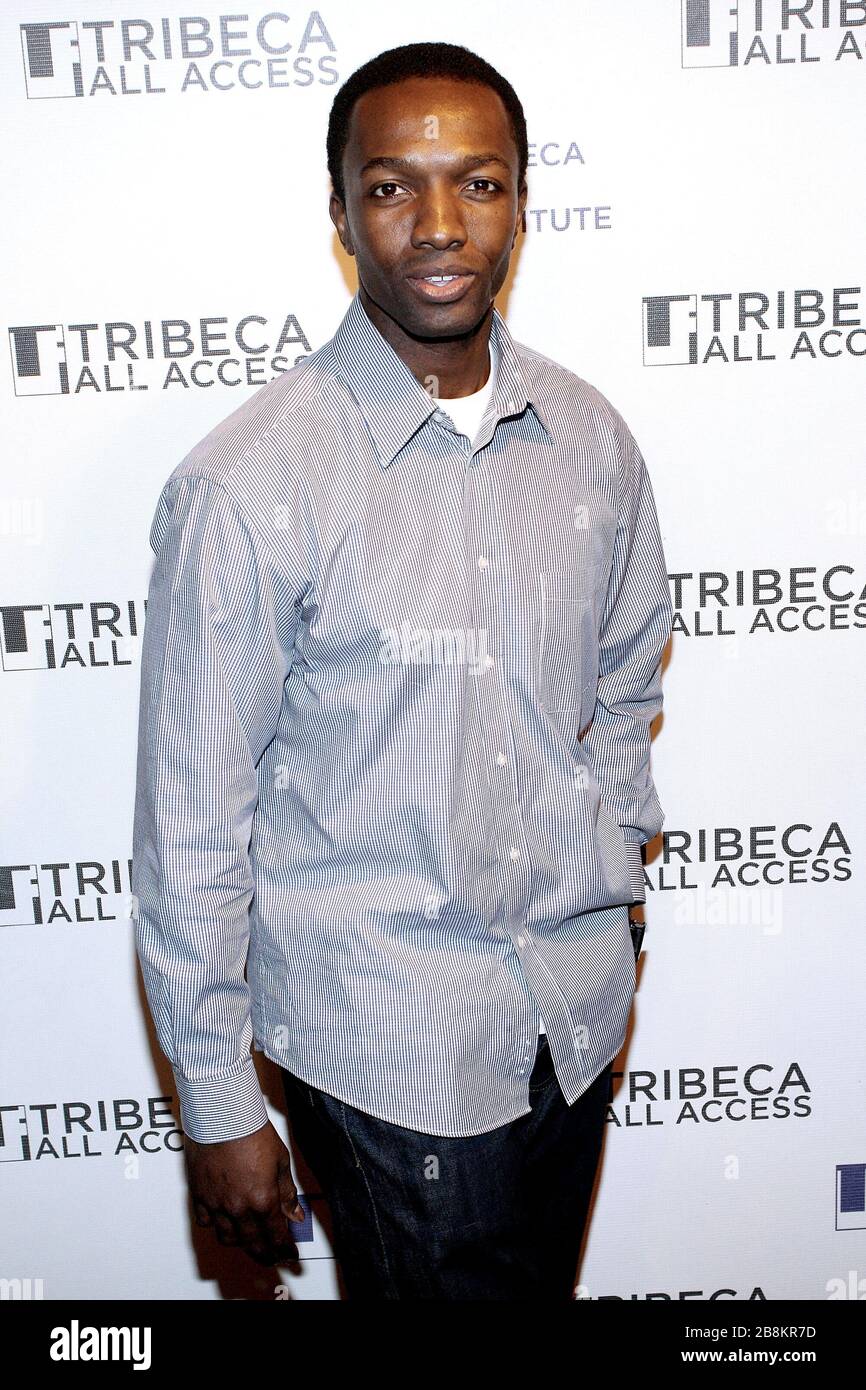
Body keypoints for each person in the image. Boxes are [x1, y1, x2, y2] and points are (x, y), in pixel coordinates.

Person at [132, 40, 673, 1301]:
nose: (438, 224)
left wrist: (617, 872)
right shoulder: (251, 482)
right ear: (339, 214)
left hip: (576, 1018)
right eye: (392, 187)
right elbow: (192, 819)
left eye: (477, 184)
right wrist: (216, 1105)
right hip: (391, 1050)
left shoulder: (589, 439)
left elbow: (627, 675)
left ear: (522, 203)